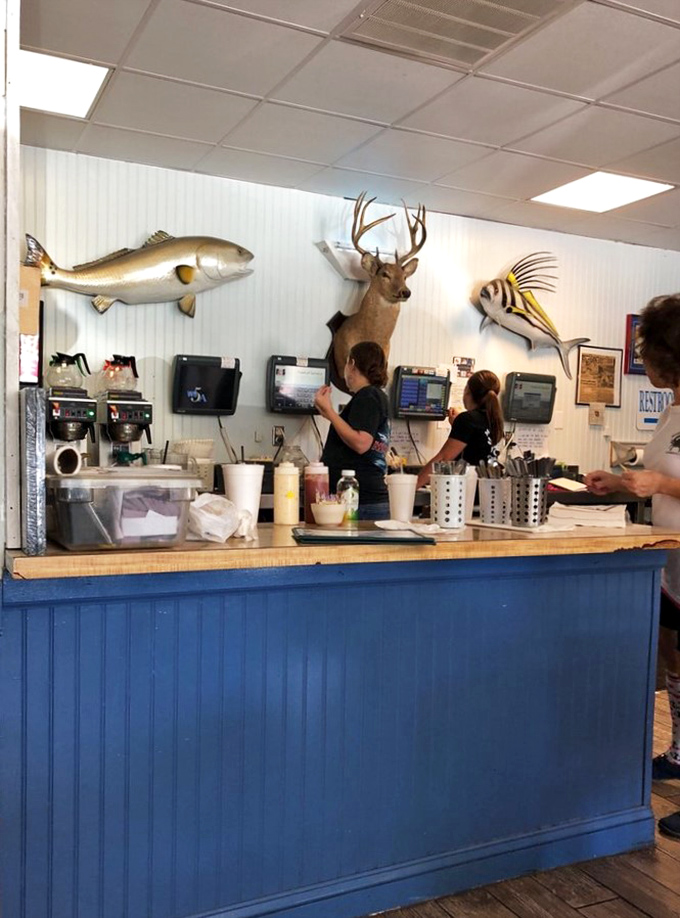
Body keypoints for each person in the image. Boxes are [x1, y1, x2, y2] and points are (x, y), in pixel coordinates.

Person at [584, 293, 680, 841]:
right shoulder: (671, 408)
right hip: (671, 561)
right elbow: (657, 470)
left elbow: (668, 478)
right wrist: (621, 482)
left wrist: (661, 484)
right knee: (673, 661)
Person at [315, 340, 390, 520]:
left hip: (360, 502)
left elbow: (361, 443)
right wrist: (328, 414)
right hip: (366, 499)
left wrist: (330, 412)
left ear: (352, 363)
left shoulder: (367, 396)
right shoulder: (375, 396)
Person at [416, 369, 504, 488]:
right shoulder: (494, 420)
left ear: (468, 391)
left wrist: (412, 486)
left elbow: (443, 458)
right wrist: (456, 424)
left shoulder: (467, 419)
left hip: (467, 492)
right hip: (487, 492)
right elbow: (477, 446)